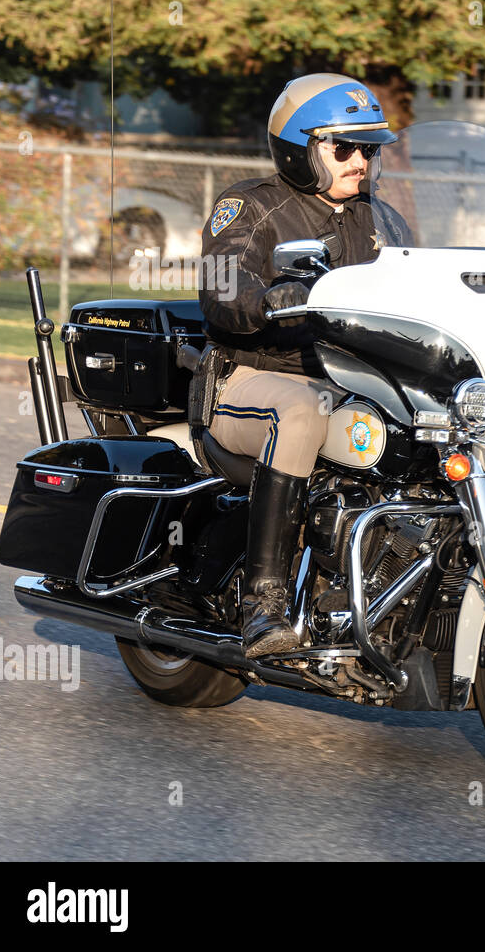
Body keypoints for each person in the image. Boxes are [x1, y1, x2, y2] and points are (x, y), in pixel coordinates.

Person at [198, 72, 407, 659]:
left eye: (369, 148)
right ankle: (261, 601)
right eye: (345, 147)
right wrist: (265, 299)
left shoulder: (381, 222)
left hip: (348, 382)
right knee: (303, 410)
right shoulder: (251, 206)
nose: (361, 160)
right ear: (300, 146)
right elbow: (221, 289)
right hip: (248, 380)